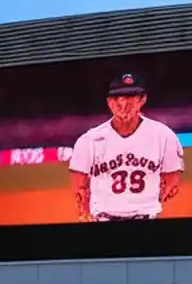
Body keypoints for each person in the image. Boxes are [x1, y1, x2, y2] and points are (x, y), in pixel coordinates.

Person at [68, 72, 184, 222]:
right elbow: (79, 186)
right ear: (109, 102)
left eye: (130, 96)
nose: (123, 104)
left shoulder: (163, 135)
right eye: (117, 98)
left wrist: (150, 203)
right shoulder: (89, 140)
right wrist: (84, 213)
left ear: (142, 99)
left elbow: (172, 178)